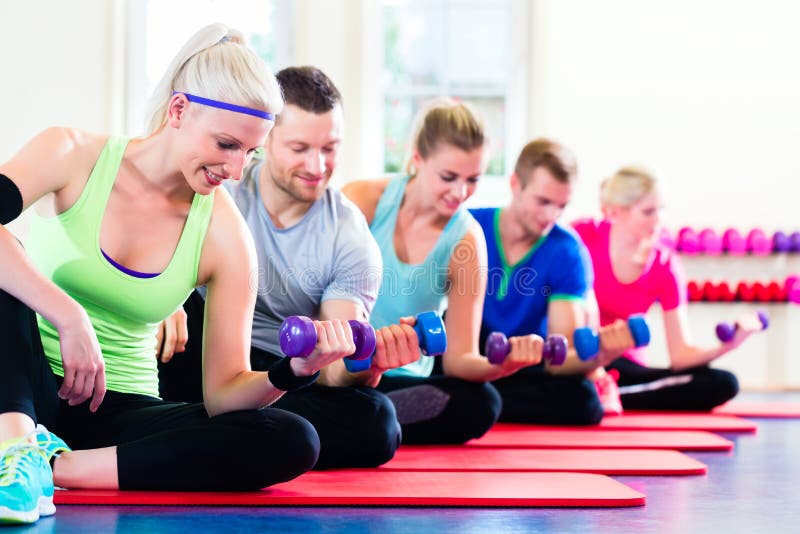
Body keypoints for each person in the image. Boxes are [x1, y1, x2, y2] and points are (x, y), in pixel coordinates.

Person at [0, 24, 353, 524]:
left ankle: (56, 466)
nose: (236, 170)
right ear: (180, 110)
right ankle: (15, 446)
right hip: (20, 386)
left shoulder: (226, 235)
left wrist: (292, 371)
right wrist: (67, 314)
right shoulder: (72, 153)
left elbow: (225, 395)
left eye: (250, 153)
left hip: (117, 412)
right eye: (227, 144)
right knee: (6, 263)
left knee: (292, 437)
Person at [158, 66, 420, 469]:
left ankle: (200, 426)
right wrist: (161, 297)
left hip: (282, 373)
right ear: (265, 139)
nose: (317, 166)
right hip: (200, 346)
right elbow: (143, 245)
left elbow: (332, 369)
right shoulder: (220, 186)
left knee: (378, 422)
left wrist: (370, 364)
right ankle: (226, 428)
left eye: (329, 148)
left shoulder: (350, 237)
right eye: (300, 148)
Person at [343, 99, 545, 445]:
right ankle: (367, 420)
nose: (460, 192)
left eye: (473, 179)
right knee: (344, 398)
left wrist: (503, 365)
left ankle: (370, 419)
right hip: (339, 371)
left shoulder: (467, 240)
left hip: (401, 379)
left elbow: (459, 360)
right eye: (448, 177)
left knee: (481, 403)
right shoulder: (364, 200)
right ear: (418, 159)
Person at [469, 138, 635, 425]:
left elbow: (559, 360)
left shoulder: (568, 250)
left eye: (561, 206)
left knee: (583, 400)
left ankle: (480, 403)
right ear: (515, 184)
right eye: (543, 201)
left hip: (526, 366)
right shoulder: (469, 229)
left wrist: (602, 355)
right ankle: (477, 401)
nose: (551, 215)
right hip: (468, 361)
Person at [572, 166, 758, 411]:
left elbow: (680, 354)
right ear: (614, 212)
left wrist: (728, 345)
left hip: (626, 369)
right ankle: (592, 392)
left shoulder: (666, 264)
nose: (659, 220)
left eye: (661, 209)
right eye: (648, 211)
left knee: (723, 383)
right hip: (575, 360)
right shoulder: (581, 237)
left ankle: (602, 394)